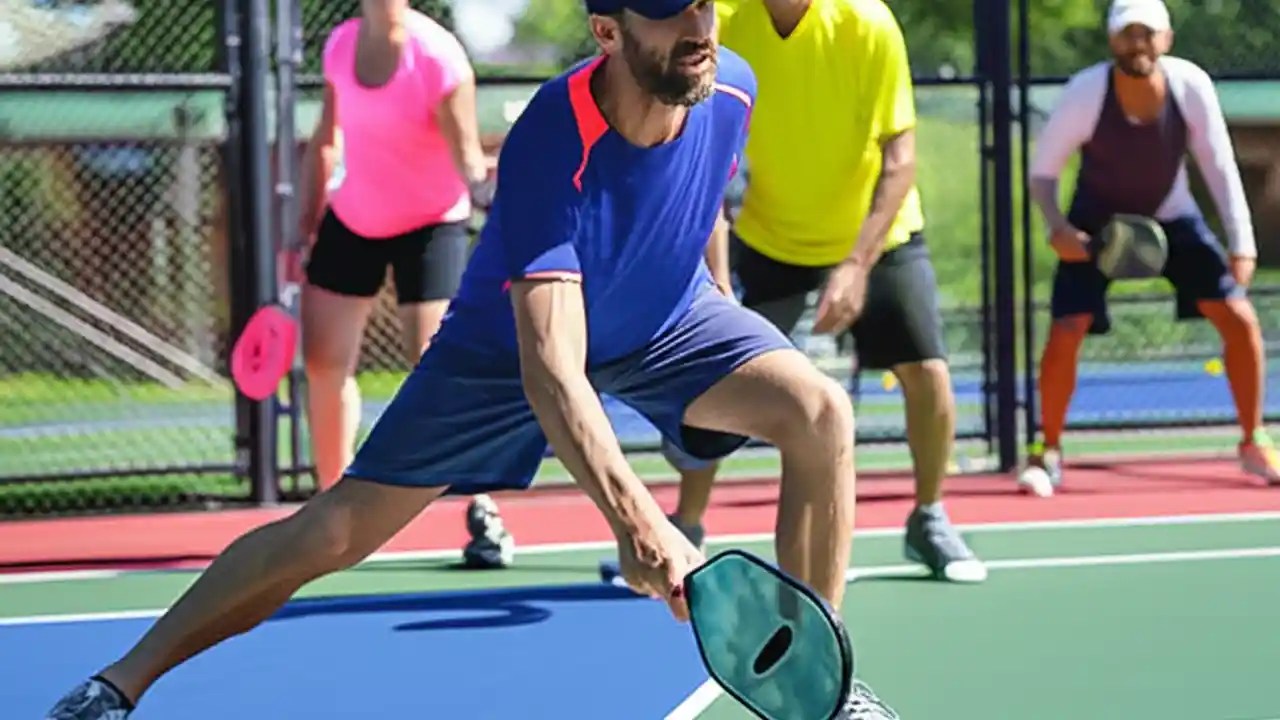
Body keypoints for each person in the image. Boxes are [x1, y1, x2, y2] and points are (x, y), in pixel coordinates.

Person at [45, 1, 900, 718]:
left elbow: (677, 211)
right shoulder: (550, 138)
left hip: (667, 320)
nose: (698, 25)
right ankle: (116, 685)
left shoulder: (733, 88)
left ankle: (817, 684)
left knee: (819, 411)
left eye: (705, 4)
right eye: (669, 12)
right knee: (334, 531)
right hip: (504, 353)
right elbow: (552, 367)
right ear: (607, 34)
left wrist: (717, 308)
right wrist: (641, 525)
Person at [625, 0, 987, 584]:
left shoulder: (867, 24)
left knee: (927, 372)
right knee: (716, 377)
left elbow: (900, 158)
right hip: (774, 242)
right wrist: (716, 276)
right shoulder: (725, 21)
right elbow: (703, 153)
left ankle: (929, 516)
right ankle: (687, 524)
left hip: (877, 236)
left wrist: (855, 264)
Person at [1019, 0, 1279, 495]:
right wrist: (1059, 228)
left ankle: (1253, 441)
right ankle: (1046, 450)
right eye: (1127, 34)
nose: (1137, 43)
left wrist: (1241, 244)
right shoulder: (1086, 92)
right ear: (1112, 40)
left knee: (1239, 317)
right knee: (1066, 329)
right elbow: (1043, 174)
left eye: (1147, 33)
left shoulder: (1190, 86)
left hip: (1171, 214)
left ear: (1166, 39)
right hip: (1095, 222)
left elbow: (1219, 166)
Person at [294, 0, 512, 565]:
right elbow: (326, 139)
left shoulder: (440, 59)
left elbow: (467, 160)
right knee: (322, 361)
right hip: (356, 216)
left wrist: (503, 196)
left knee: (436, 366)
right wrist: (302, 229)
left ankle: (480, 505)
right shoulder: (340, 46)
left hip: (432, 222)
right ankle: (330, 509)